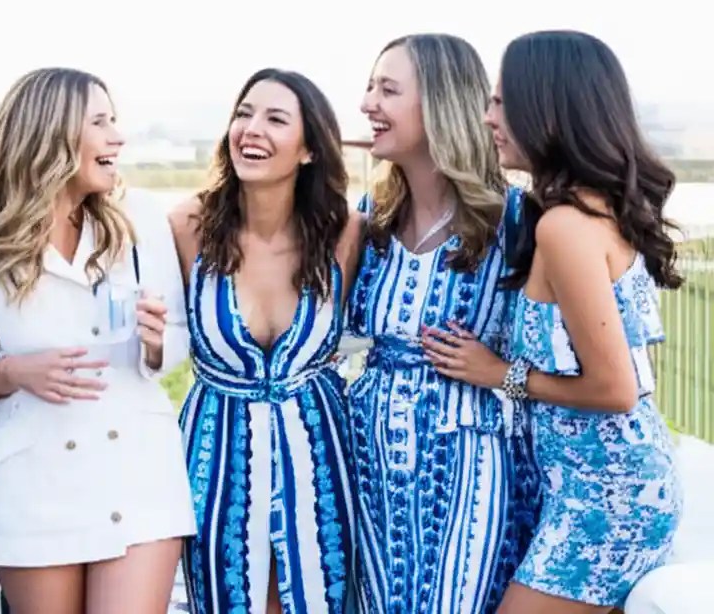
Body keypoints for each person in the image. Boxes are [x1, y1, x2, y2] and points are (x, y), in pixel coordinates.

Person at [424, 30, 683, 612]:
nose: (489, 118)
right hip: (595, 488)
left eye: (500, 102)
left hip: (609, 498)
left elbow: (616, 389)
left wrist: (499, 374)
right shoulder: (589, 210)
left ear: (546, 107)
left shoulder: (564, 227)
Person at [0, 67, 196, 614]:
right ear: (50, 135)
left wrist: (155, 342)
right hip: (33, 482)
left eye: (115, 122)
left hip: (139, 472)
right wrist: (12, 372)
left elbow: (177, 338)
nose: (118, 138)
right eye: (100, 123)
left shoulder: (141, 218)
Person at [345, 33, 539, 613]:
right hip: (369, 458)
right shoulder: (368, 218)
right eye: (370, 86)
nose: (367, 103)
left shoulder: (516, 221)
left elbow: (568, 352)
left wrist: (502, 374)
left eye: (388, 89)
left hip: (471, 458)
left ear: (440, 104)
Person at [170, 68, 364, 613]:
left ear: (309, 149)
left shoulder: (345, 232)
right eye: (243, 114)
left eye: (275, 119)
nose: (250, 129)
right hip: (217, 453)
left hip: (321, 452)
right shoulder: (187, 226)